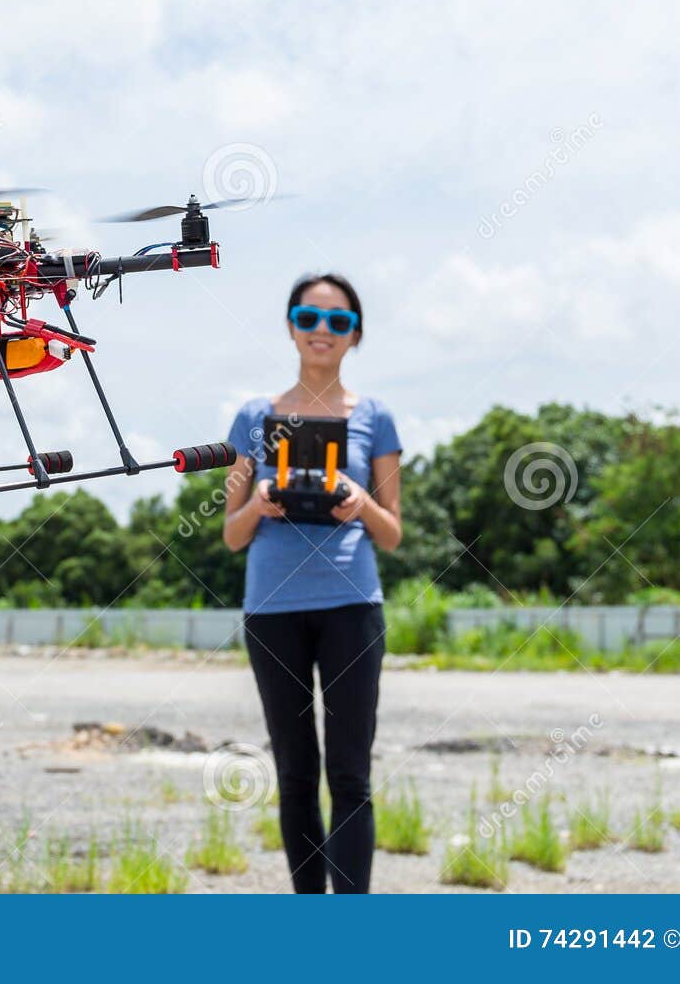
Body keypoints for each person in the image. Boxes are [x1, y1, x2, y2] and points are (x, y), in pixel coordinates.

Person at [222, 272, 403, 894]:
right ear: (291, 326)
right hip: (273, 611)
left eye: (338, 322)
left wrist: (358, 499)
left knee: (350, 773)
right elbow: (231, 534)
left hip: (352, 605)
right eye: (309, 318)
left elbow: (393, 532)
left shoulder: (375, 417)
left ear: (355, 335)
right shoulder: (254, 417)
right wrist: (262, 500)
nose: (322, 331)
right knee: (296, 772)